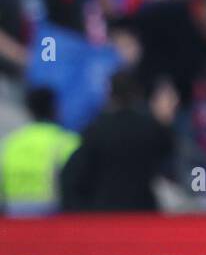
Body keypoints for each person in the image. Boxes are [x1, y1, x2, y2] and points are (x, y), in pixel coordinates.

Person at [60, 72, 174, 213]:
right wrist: (164, 121)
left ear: (110, 94)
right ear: (136, 93)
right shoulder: (150, 128)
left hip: (104, 213)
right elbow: (169, 153)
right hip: (141, 211)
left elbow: (71, 175)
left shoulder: (97, 129)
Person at [0, 87, 79, 215]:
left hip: (13, 215)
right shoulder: (68, 142)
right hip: (53, 217)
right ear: (55, 109)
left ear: (29, 110)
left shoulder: (10, 143)